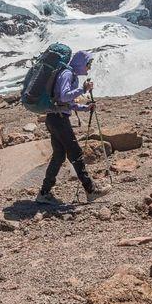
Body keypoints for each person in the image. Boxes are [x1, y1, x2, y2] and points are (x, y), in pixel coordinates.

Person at [37, 50, 111, 204]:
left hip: (54, 118)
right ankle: (91, 190)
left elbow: (66, 102)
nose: (88, 68)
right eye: (88, 64)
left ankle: (44, 193)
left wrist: (85, 108)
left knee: (59, 156)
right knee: (75, 153)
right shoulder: (67, 74)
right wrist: (83, 89)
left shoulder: (67, 74)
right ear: (80, 63)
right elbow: (64, 96)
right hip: (59, 119)